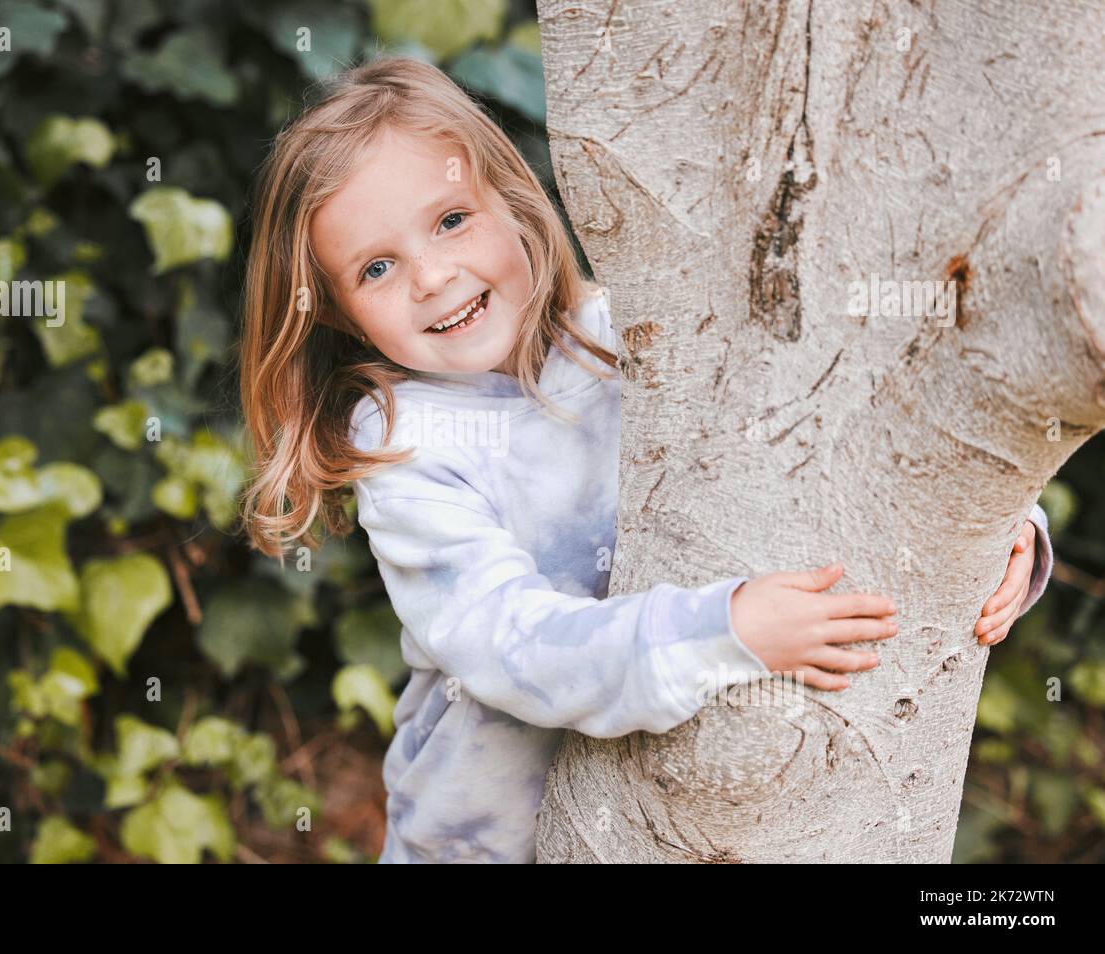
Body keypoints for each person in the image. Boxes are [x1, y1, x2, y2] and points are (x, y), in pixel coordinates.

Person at [235, 56, 1053, 863]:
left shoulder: (633, 333)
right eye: (376, 268)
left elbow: (818, 430)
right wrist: (724, 630)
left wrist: (988, 528)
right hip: (486, 844)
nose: (432, 275)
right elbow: (513, 649)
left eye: (452, 220)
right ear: (338, 314)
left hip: (681, 814)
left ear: (514, 203)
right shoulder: (405, 449)